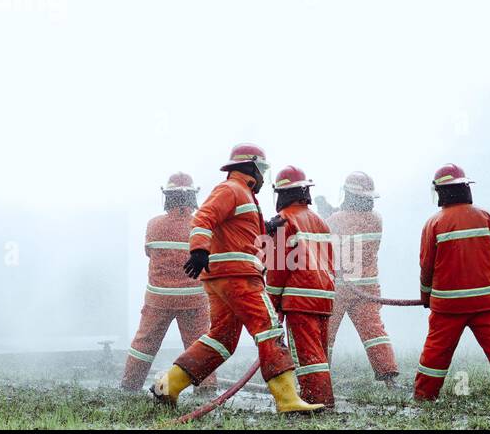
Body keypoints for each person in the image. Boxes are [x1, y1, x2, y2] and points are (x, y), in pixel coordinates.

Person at [150, 143, 321, 414]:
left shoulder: (242, 194)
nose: (264, 176)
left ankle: (168, 385)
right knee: (269, 329)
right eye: (262, 168)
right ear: (250, 166)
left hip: (222, 278)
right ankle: (288, 400)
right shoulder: (231, 189)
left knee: (222, 338)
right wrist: (198, 250)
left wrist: (266, 228)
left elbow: (237, 232)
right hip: (239, 277)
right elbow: (203, 218)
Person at [415, 164, 490, 403]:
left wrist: (426, 297)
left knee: (436, 353)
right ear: (465, 187)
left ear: (440, 192)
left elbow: (427, 267)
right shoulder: (487, 218)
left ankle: (424, 397)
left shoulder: (433, 224)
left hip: (448, 306)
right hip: (487, 302)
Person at [119, 173, 216, 392]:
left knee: (144, 344)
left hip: (158, 299)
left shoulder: (154, 225)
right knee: (199, 344)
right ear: (192, 197)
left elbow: (149, 253)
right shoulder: (201, 226)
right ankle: (206, 389)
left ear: (167, 197)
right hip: (193, 299)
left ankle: (130, 385)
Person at [263, 165, 336, 407]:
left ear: (281, 194)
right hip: (323, 299)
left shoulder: (284, 221)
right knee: (319, 352)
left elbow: (277, 269)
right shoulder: (320, 222)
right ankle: (323, 398)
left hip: (299, 301)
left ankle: (317, 400)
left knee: (308, 355)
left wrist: (273, 306)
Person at [325, 171, 399, 386]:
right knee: (374, 331)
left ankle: (319, 378)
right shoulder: (377, 219)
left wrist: (325, 213)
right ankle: (389, 378)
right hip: (366, 288)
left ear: (347, 194)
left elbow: (331, 230)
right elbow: (349, 223)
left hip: (338, 288)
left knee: (326, 334)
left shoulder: (334, 220)